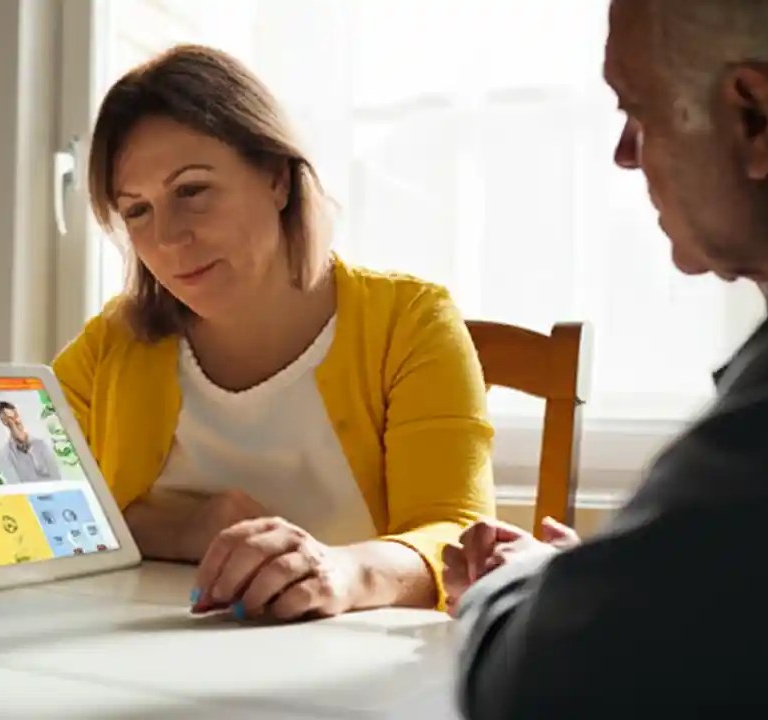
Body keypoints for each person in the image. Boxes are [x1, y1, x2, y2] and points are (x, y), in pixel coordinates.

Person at [445, 0, 768, 715]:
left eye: (639, 110)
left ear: (757, 119)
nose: (625, 153)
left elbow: (547, 684)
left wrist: (512, 587)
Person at [52, 44, 497, 622]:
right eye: (137, 210)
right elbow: (25, 513)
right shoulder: (112, 345)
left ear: (276, 178)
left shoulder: (410, 322)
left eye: (192, 191)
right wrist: (185, 528)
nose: (167, 238)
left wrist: (344, 571)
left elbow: (458, 537)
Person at [0, 400, 60, 484]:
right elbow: (13, 483)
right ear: (4, 421)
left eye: (16, 416)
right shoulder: (5, 455)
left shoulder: (42, 444)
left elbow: (56, 474)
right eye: (10, 419)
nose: (16, 421)